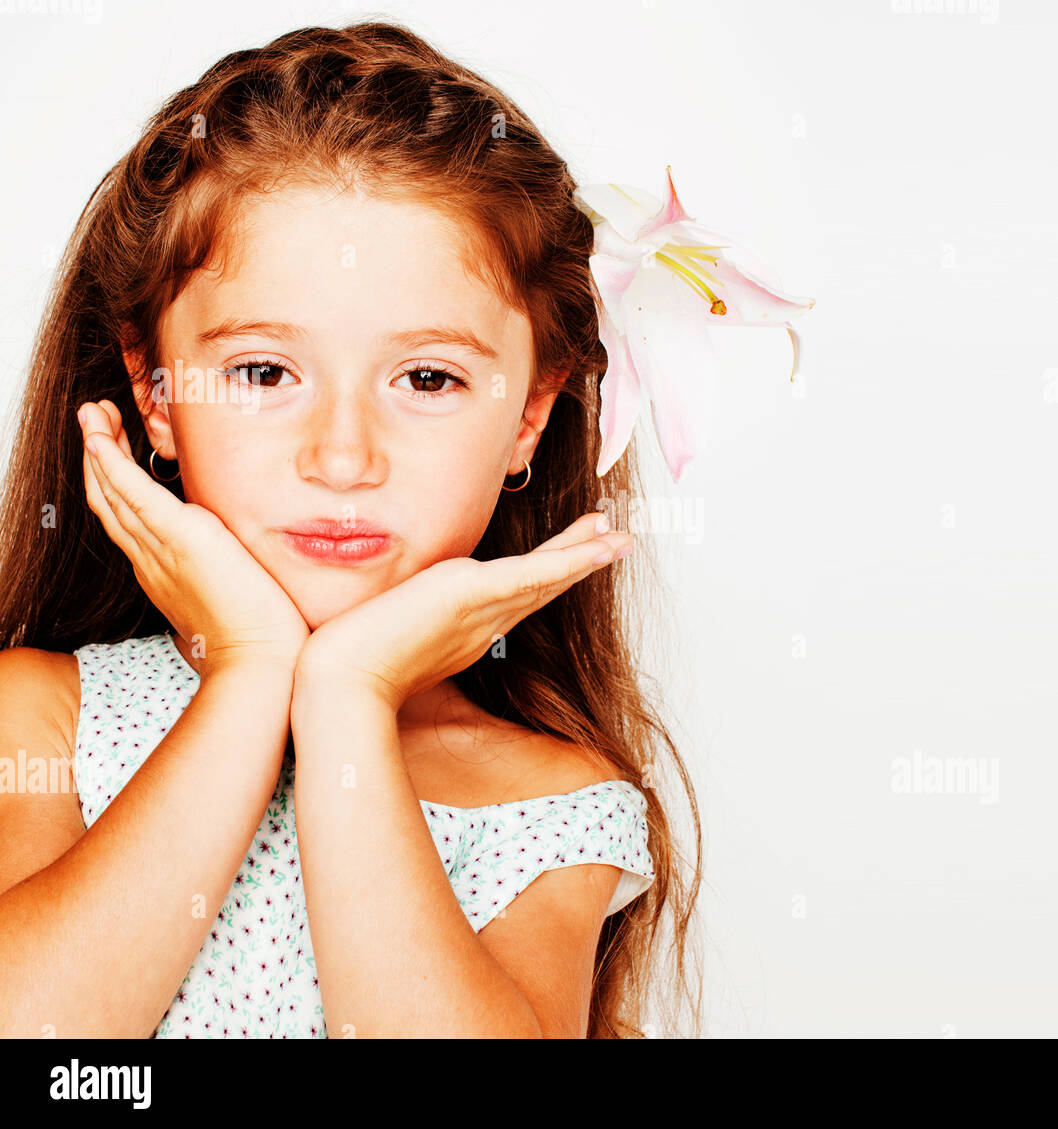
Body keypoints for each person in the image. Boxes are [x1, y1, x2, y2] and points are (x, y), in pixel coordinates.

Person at [0, 21, 707, 1038]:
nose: (341, 458)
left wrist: (347, 699)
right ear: (156, 393)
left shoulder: (548, 802)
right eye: (262, 373)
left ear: (527, 418)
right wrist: (249, 672)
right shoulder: (48, 721)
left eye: (426, 379)